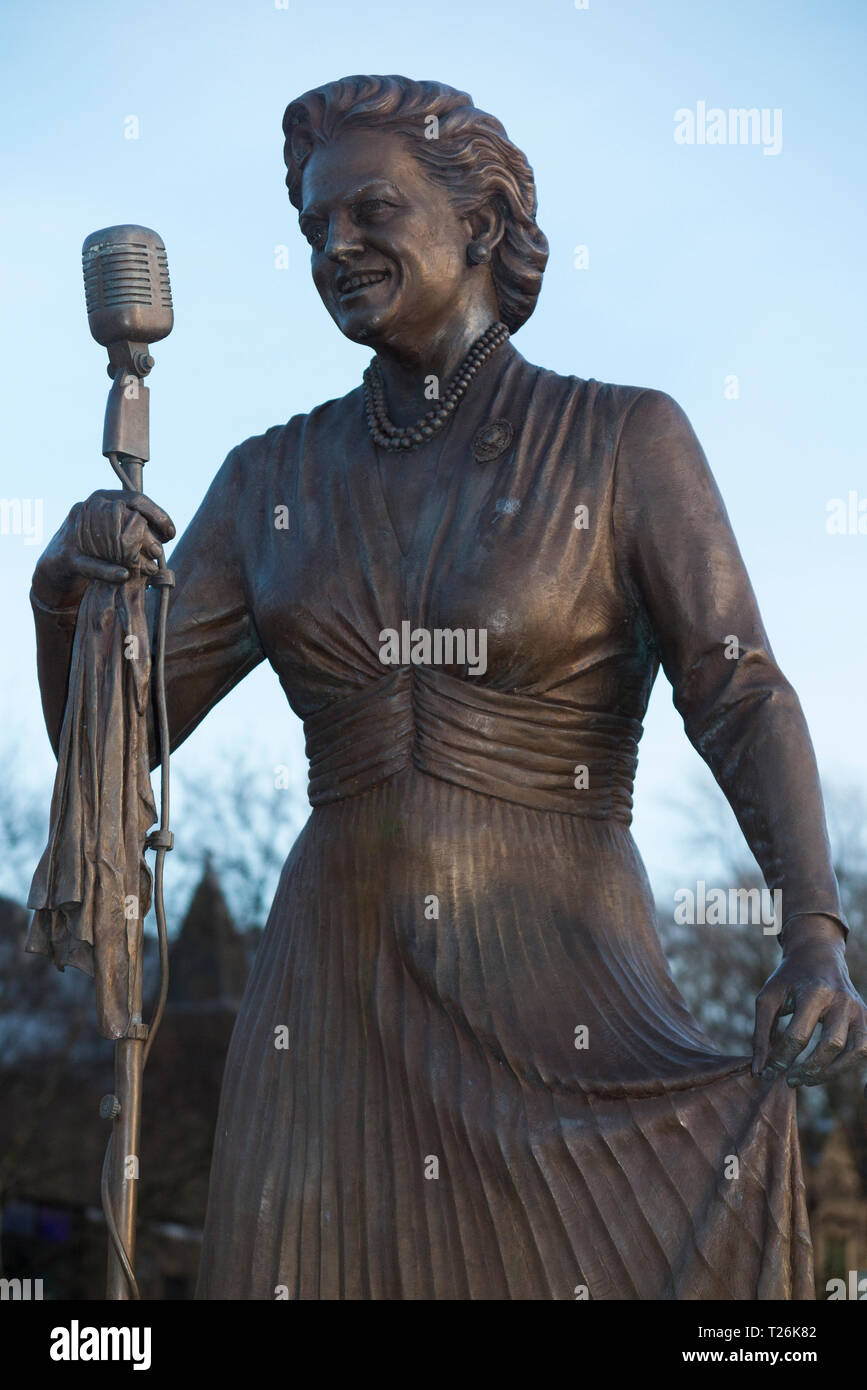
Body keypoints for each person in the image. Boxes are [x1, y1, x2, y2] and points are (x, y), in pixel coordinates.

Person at [31, 75, 866, 1300]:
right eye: (314, 227)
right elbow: (113, 742)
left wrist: (814, 931)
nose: (336, 247)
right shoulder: (273, 476)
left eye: (370, 211)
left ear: (479, 223)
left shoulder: (624, 438)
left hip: (562, 981)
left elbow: (740, 694)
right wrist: (66, 593)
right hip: (327, 994)